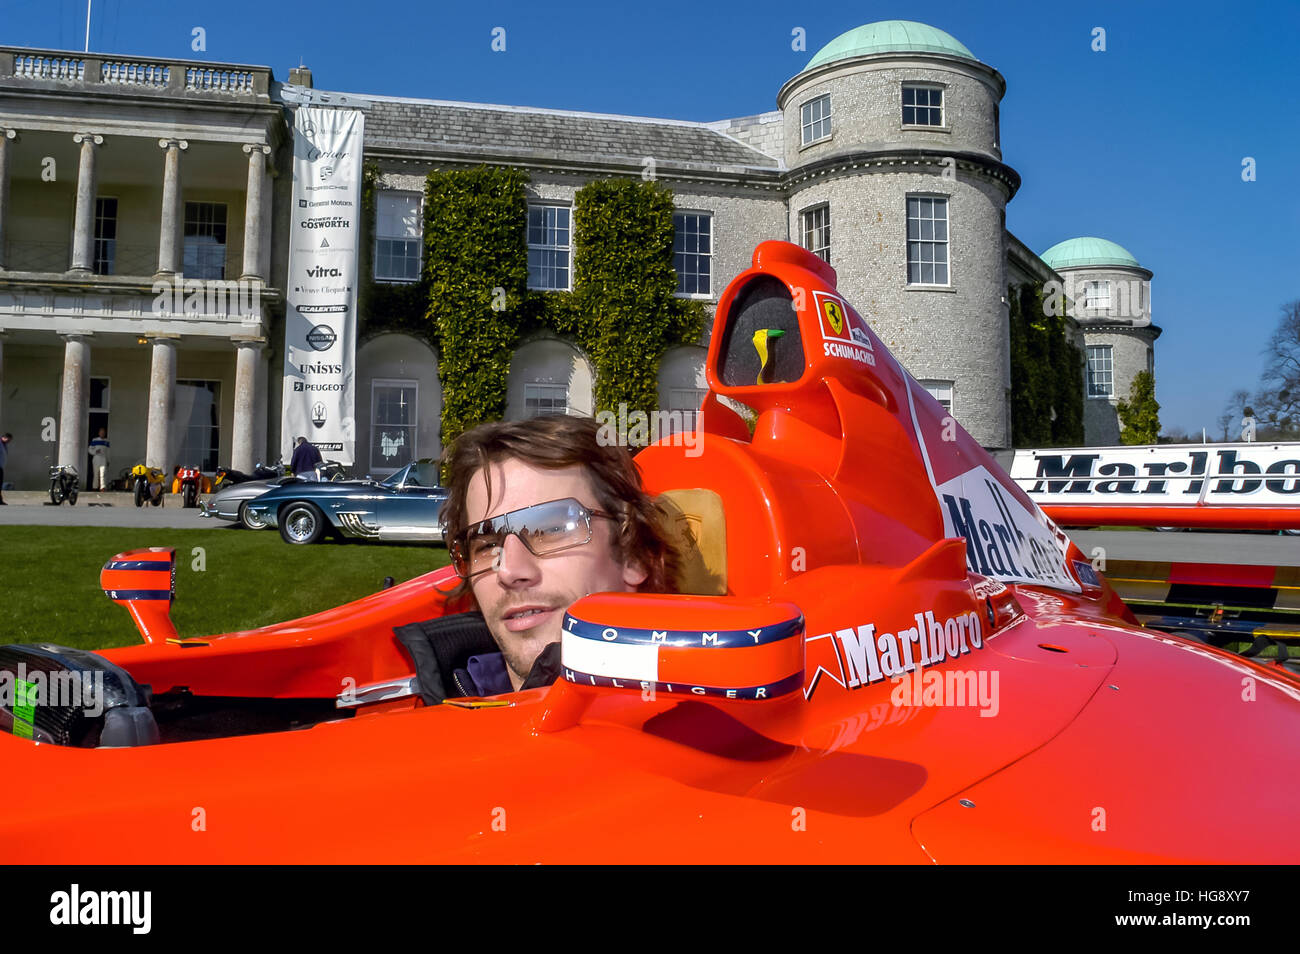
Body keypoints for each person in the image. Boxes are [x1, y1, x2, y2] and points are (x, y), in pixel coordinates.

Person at [436, 414, 682, 695]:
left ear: (633, 554)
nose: (509, 570)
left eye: (550, 529)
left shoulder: (709, 729)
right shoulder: (415, 712)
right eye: (488, 545)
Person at [0, 432, 10, 504]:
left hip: (1, 467)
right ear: (4, 437)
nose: (9, 441)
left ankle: (0, 500)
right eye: (8, 439)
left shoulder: (4, 444)